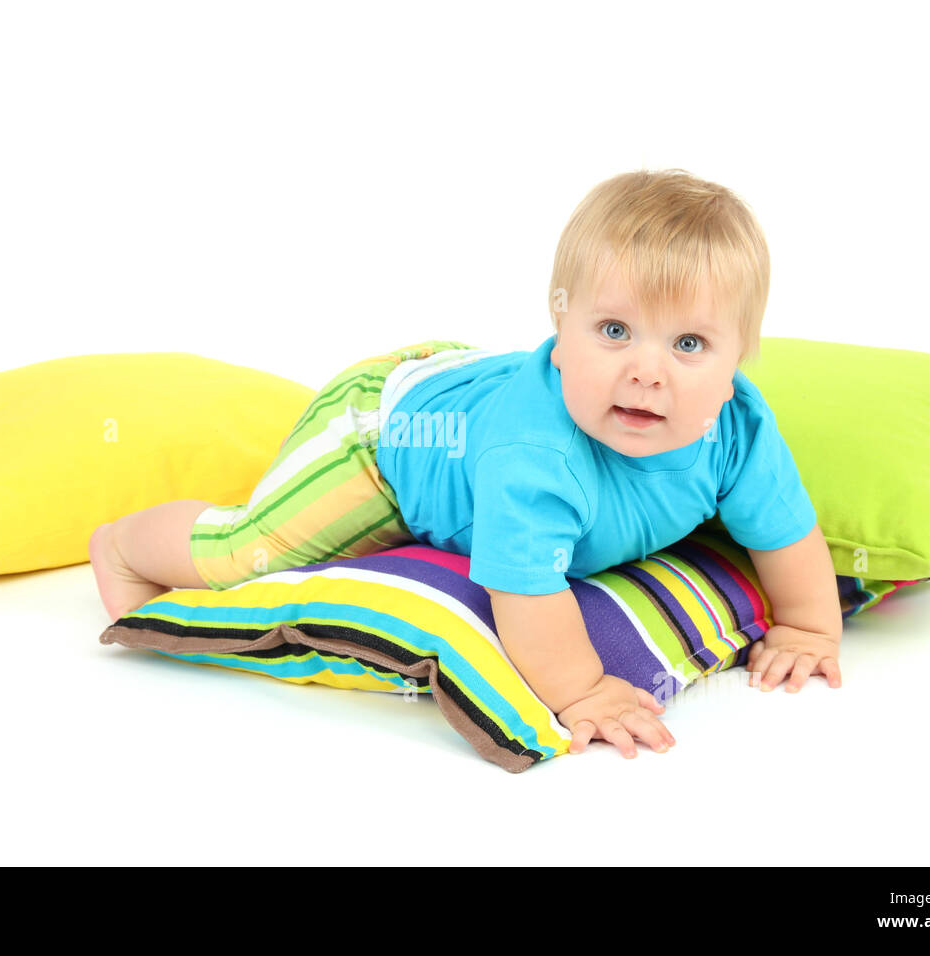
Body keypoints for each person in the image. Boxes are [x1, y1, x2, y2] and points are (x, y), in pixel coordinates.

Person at [90, 168, 844, 760]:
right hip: (388, 435)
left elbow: (786, 533)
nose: (649, 371)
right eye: (614, 330)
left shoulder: (736, 426)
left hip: (472, 381)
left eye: (689, 345)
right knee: (242, 551)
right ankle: (124, 542)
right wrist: (582, 691)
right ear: (560, 322)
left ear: (739, 356)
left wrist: (811, 628)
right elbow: (528, 595)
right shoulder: (535, 459)